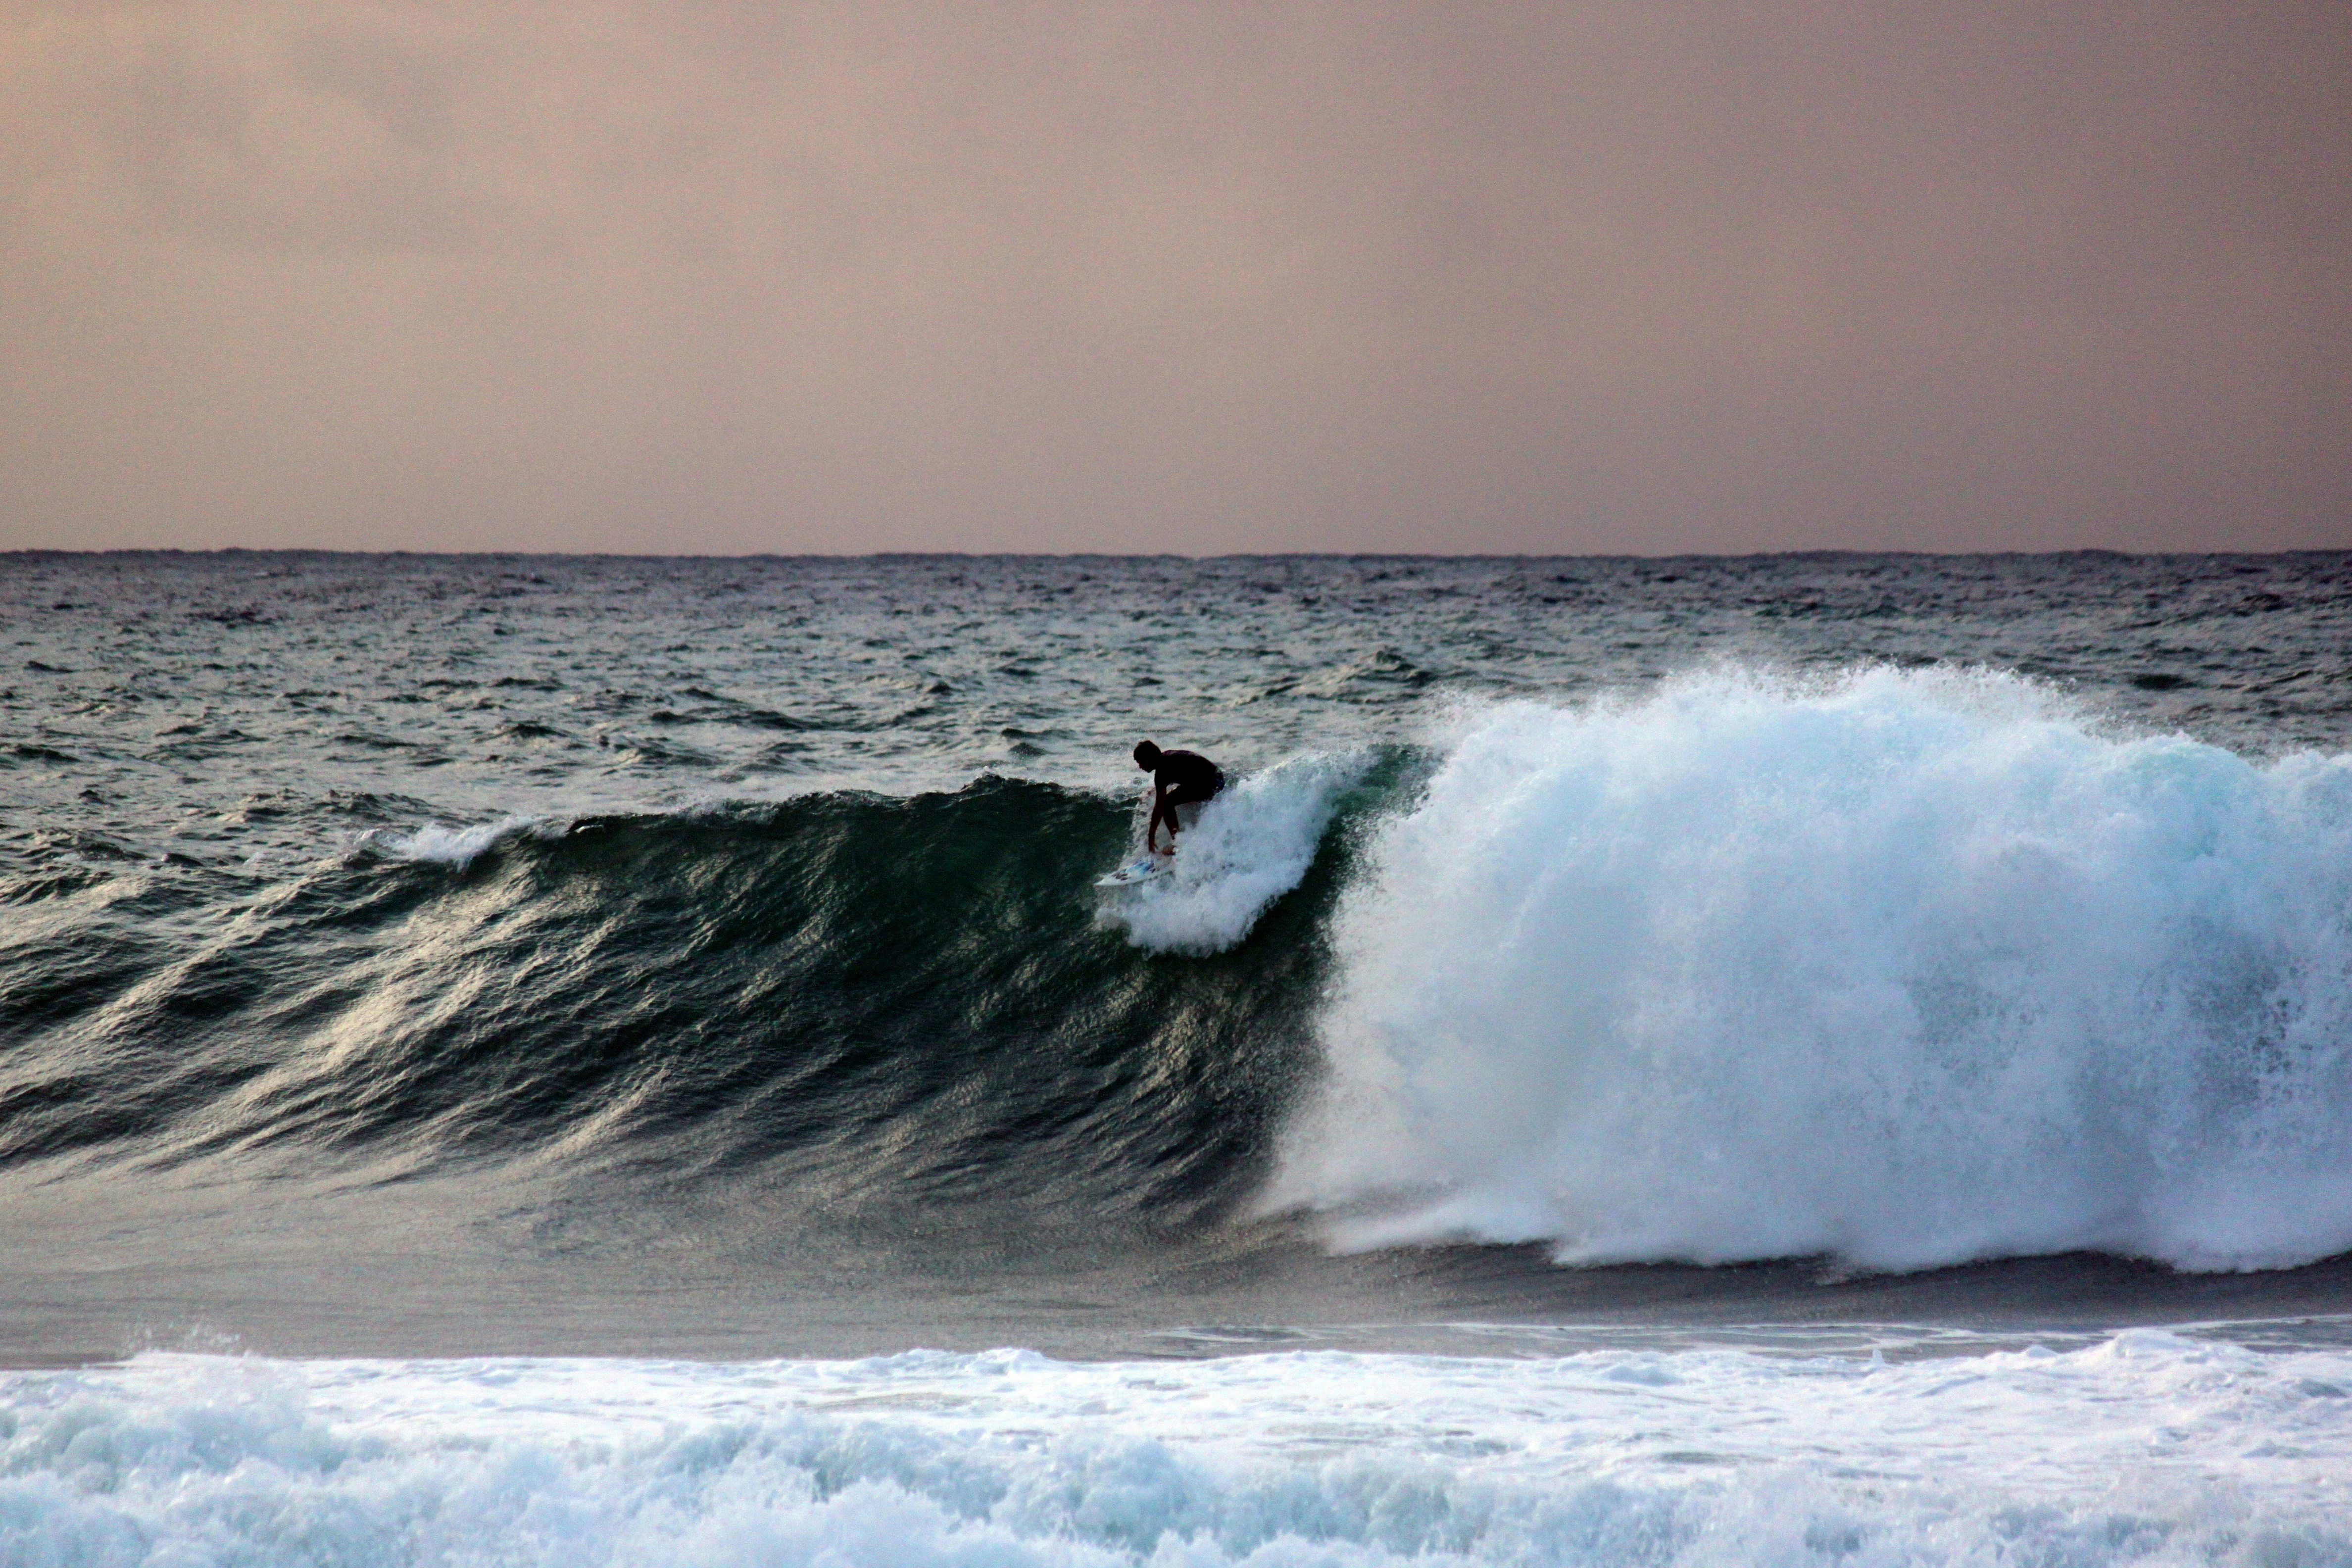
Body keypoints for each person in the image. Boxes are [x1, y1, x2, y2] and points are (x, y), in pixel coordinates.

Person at [1134, 740, 1223, 855]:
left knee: (1167, 803)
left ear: (1150, 759)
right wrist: (1156, 790)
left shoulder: (1163, 770)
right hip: (1216, 779)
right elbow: (1184, 772)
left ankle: (1178, 843)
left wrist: (1151, 836)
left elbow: (1160, 806)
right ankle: (1191, 840)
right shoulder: (1168, 759)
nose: (1140, 766)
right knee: (1176, 798)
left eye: (1141, 762)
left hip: (1211, 782)